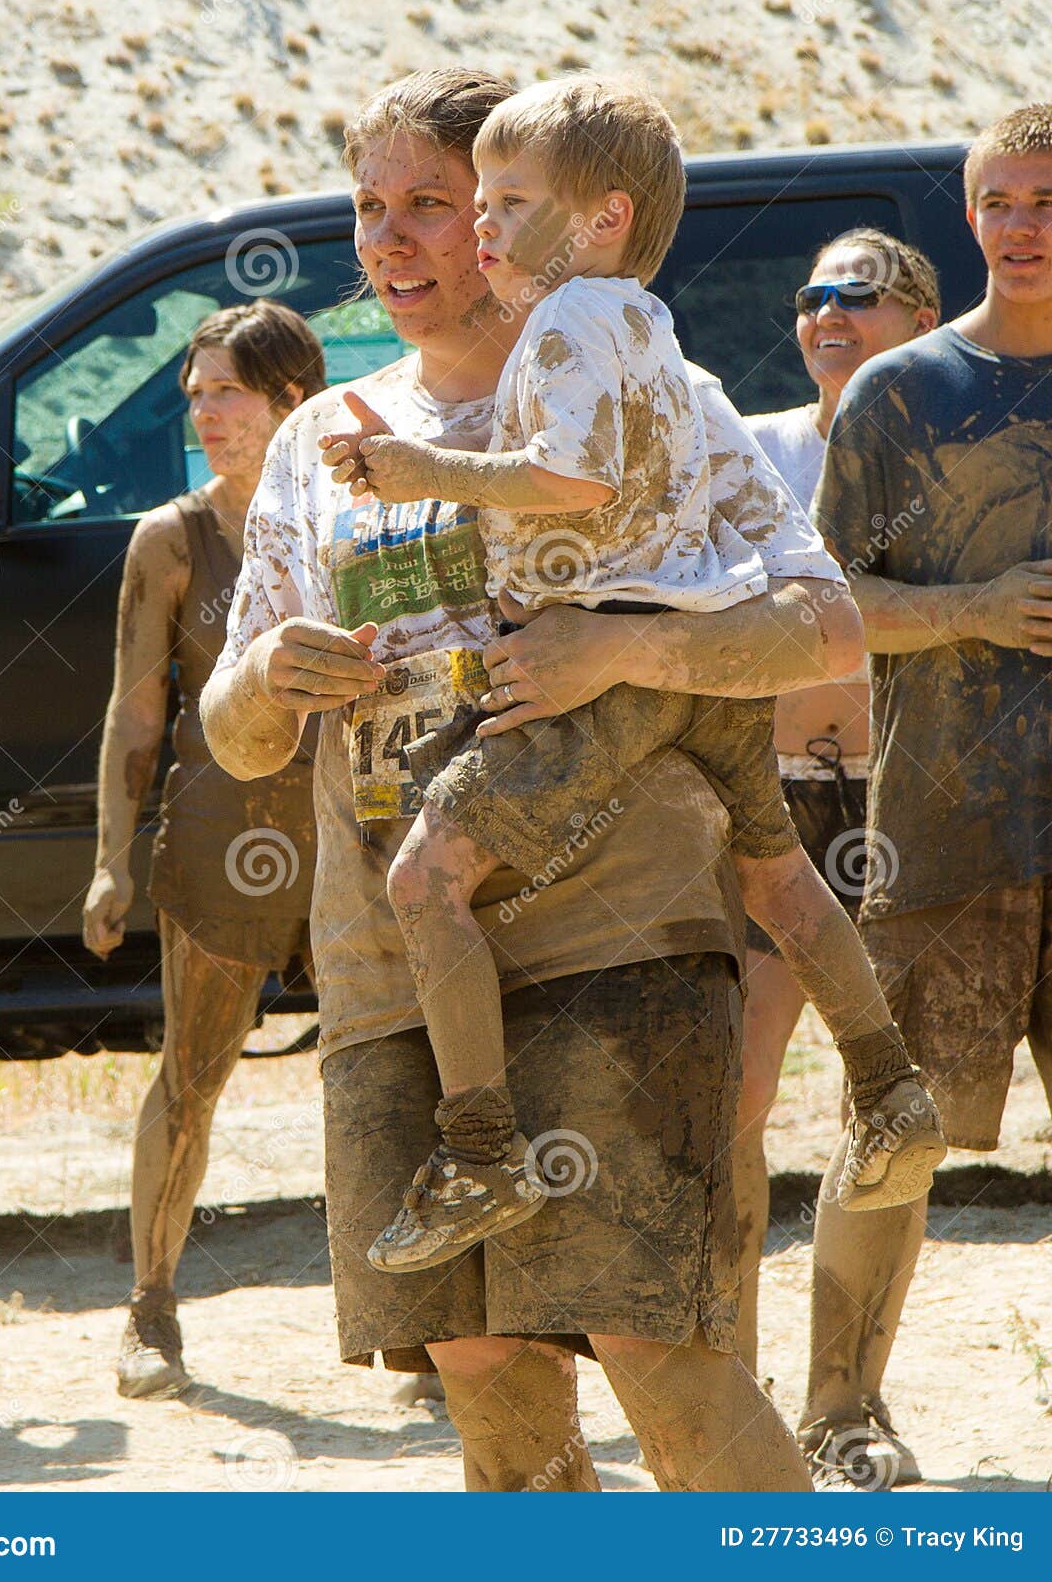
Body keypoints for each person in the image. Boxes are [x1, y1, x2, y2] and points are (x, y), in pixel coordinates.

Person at [201, 67, 865, 1493]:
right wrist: (270, 680)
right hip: (390, 956)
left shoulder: (648, 389)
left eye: (436, 206)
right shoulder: (327, 447)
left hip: (611, 936)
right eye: (369, 209)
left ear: (533, 222)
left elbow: (828, 627)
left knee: (650, 1341)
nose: (393, 241)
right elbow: (235, 730)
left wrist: (617, 650)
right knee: (481, 1364)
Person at [319, 81, 944, 1275]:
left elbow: (576, 486)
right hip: (711, 672)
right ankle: (884, 1085)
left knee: (423, 880)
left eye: (498, 203)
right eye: (477, 202)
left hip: (611, 671)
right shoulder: (647, 332)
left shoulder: (565, 324)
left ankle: (479, 1145)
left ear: (599, 219)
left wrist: (415, 469)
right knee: (777, 876)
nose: (483, 228)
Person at [802, 103, 1052, 1487]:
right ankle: (841, 1409)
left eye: (1046, 200)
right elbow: (828, 602)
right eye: (1000, 200)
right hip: (944, 829)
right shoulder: (903, 394)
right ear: (969, 218)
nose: (1022, 225)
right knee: (893, 1132)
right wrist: (972, 606)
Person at [82, 302, 324, 1399]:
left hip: (348, 835)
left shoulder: (356, 514)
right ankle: (150, 1310)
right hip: (219, 835)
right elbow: (136, 713)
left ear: (288, 396)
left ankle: (426, 1330)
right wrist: (109, 859)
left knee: (394, 1072)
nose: (205, 413)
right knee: (191, 1078)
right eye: (196, 396)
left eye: (225, 391)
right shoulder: (173, 537)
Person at [733, 229, 941, 1375]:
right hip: (775, 803)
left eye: (854, 296)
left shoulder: (957, 459)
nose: (824, 314)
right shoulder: (753, 451)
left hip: (904, 800)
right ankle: (736, 1385)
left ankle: (845, 1393)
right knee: (739, 1098)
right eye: (809, 295)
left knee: (889, 1110)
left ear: (918, 317)